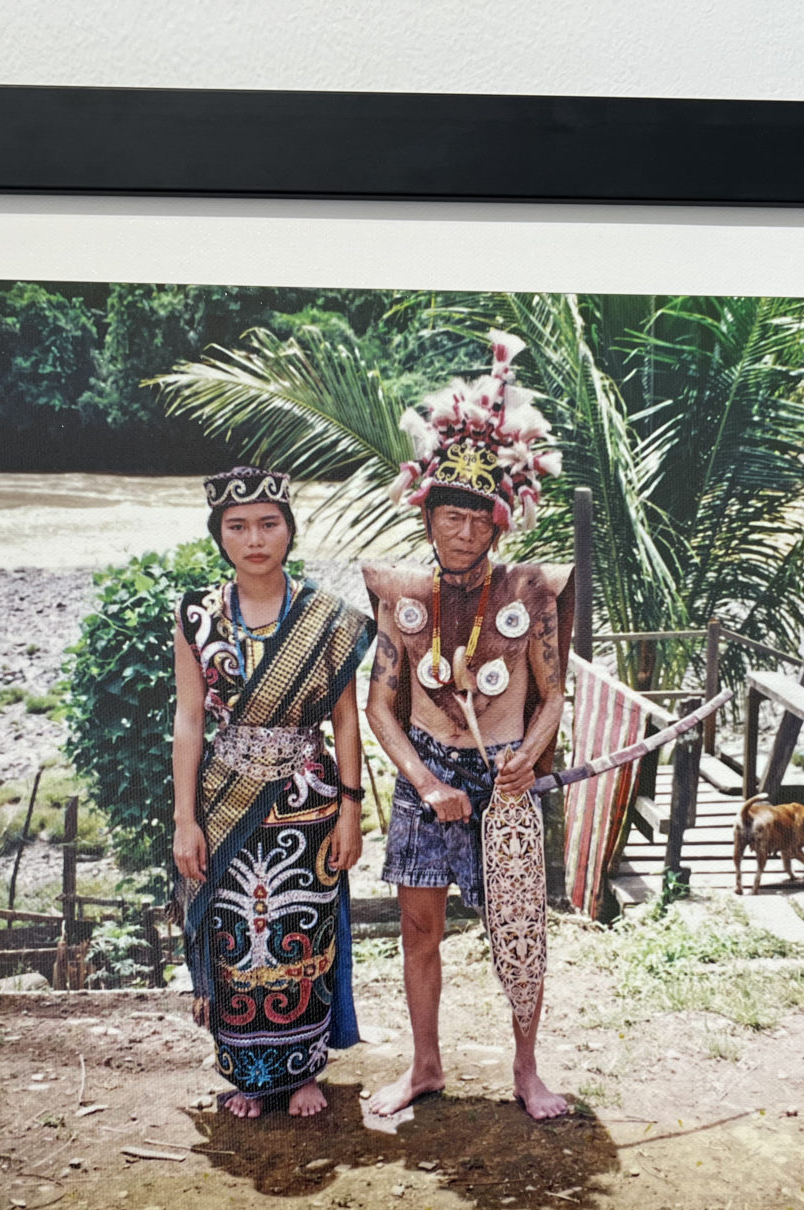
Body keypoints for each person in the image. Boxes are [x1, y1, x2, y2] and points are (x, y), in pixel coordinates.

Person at [362, 331, 575, 1121]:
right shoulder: (408, 598)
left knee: (518, 928)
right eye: (448, 516)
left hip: (506, 778)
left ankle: (525, 1069)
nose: (461, 531)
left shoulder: (529, 593)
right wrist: (423, 781)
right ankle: (425, 1067)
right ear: (429, 520)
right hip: (427, 773)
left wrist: (528, 752)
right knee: (419, 930)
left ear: (497, 525)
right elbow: (379, 705)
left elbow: (554, 693)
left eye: (475, 519)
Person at [172, 467, 374, 1117]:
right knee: (235, 937)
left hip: (307, 802)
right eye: (237, 526)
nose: (254, 539)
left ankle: (304, 1069)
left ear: (289, 531)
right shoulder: (197, 616)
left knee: (304, 932)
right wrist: (184, 820)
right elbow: (188, 720)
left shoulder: (327, 617)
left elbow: (346, 719)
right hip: (223, 801)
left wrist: (352, 809)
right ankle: (248, 1074)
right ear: (219, 536)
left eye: (268, 523)